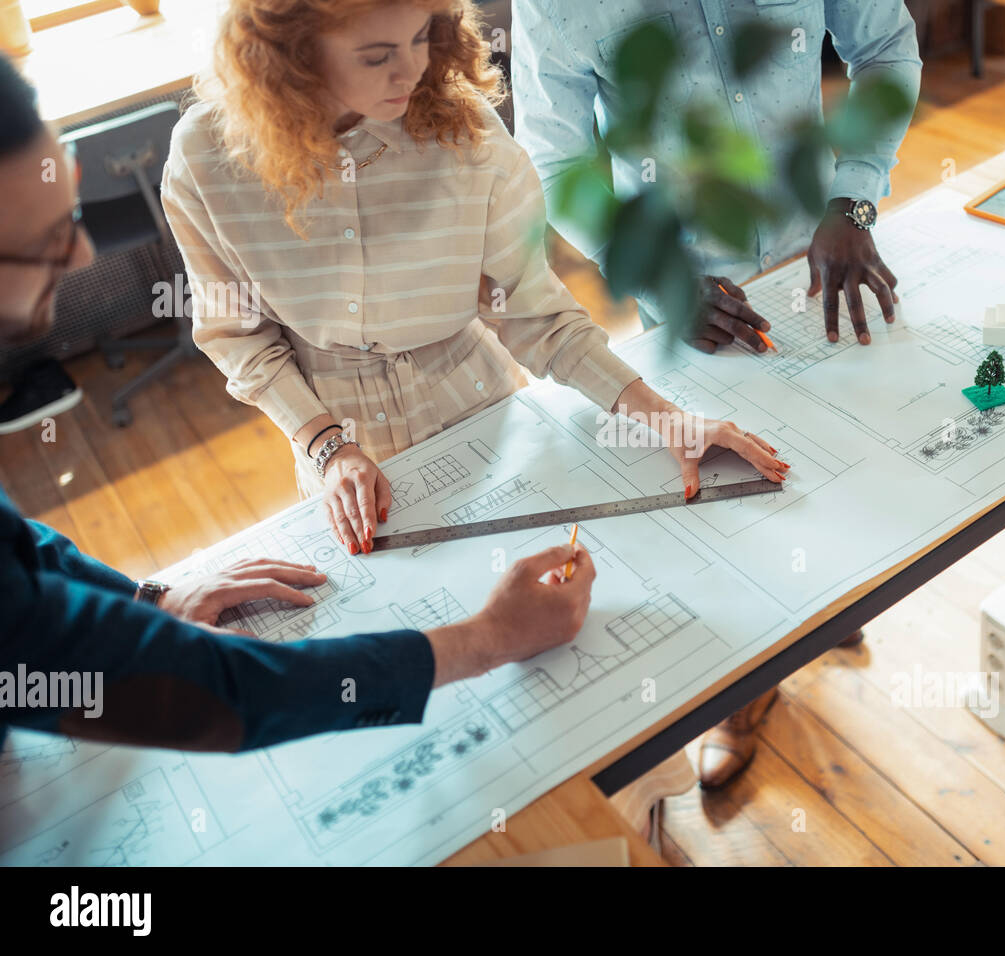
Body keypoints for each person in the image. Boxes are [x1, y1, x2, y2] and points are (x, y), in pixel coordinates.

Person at [0, 52, 597, 753]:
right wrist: (490, 637)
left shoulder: (457, 128)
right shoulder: (206, 160)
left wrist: (143, 600)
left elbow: (17, 550)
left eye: (69, 208)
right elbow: (212, 693)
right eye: (42, 244)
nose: (80, 257)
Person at [160, 0, 790, 563]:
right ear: (292, 53)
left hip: (484, 414)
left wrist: (670, 421)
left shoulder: (468, 135)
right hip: (334, 445)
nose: (410, 71)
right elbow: (238, 335)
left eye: (419, 36)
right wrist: (328, 449)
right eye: (377, 55)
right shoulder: (204, 159)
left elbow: (538, 319)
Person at [510, 0, 922, 787]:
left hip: (824, 253)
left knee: (840, 460)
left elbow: (887, 47)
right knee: (735, 505)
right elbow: (557, 162)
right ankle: (743, 693)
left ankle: (830, 602)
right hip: (692, 294)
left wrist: (854, 200)